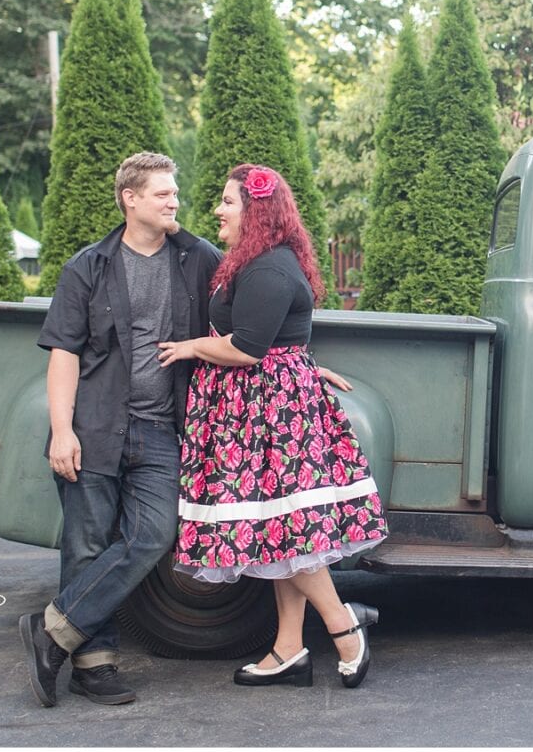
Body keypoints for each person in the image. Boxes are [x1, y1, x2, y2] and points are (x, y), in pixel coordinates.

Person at [157, 163, 389, 689]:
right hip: (264, 403)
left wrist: (192, 346)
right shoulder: (254, 261)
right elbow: (278, 340)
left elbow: (246, 348)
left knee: (288, 533)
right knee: (277, 533)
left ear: (255, 212)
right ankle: (289, 650)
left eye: (228, 202)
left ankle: (343, 628)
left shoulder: (266, 270)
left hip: (269, 412)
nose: (218, 209)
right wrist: (168, 225)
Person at [18, 151, 223, 708]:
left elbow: (251, 311)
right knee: (86, 544)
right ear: (130, 199)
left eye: (174, 192)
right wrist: (63, 430)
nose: (174, 200)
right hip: (95, 427)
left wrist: (293, 359)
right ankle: (94, 663)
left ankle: (53, 630)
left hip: (161, 429)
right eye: (162, 193)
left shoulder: (198, 258)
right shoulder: (89, 266)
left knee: (153, 535)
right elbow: (64, 354)